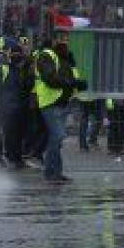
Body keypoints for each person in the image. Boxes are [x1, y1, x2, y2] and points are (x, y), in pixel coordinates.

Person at [34, 37, 85, 183]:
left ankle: (56, 172)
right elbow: (51, 79)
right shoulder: (46, 55)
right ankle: (51, 174)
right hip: (50, 102)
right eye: (62, 40)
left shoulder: (60, 58)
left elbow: (69, 78)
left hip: (59, 103)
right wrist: (73, 83)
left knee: (56, 139)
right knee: (57, 136)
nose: (66, 44)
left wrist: (74, 78)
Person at [0, 45, 31, 170]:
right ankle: (11, 158)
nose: (16, 58)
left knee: (20, 134)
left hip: (22, 108)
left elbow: (28, 86)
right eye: (14, 55)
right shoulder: (3, 70)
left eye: (18, 55)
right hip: (8, 108)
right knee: (10, 134)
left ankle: (18, 158)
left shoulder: (24, 70)